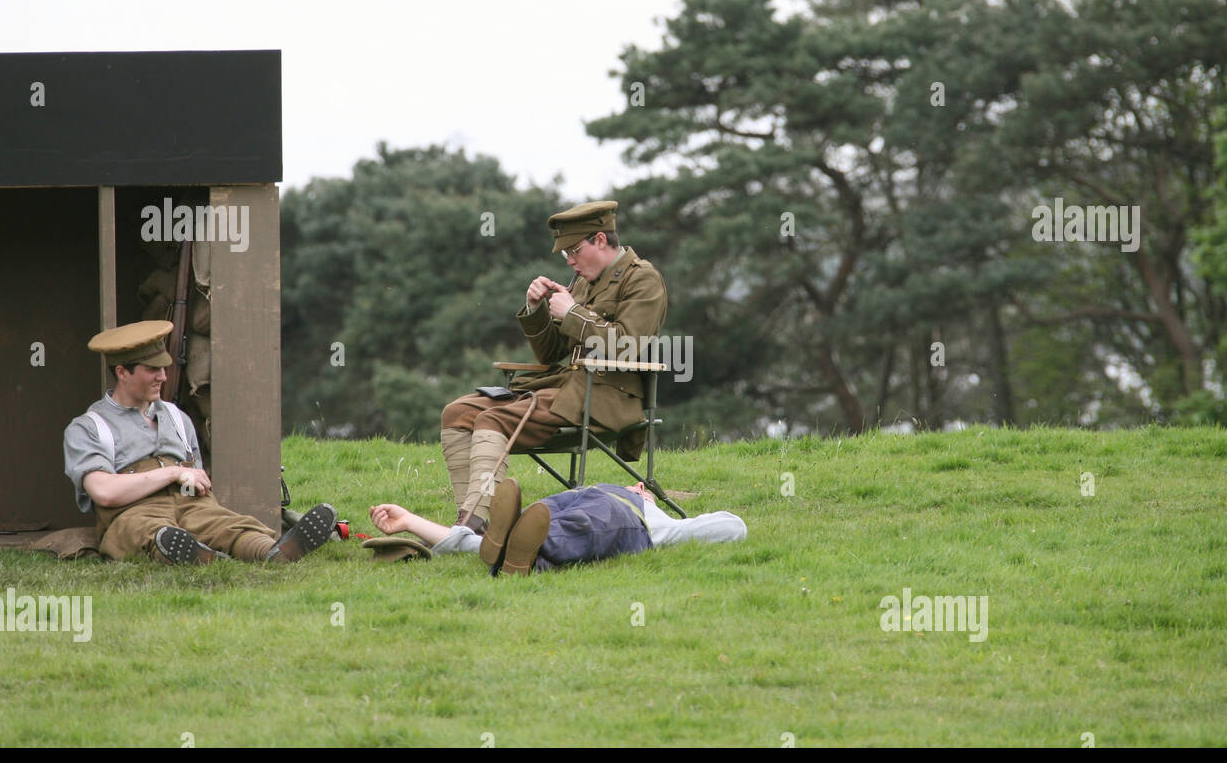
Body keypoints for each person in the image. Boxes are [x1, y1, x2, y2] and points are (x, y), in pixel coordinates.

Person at [438, 200, 668, 533]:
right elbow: (551, 355)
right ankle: (471, 519)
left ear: (601, 240)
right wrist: (537, 310)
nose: (570, 261)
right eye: (565, 255)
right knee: (457, 413)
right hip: (566, 389)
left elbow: (627, 347)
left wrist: (573, 312)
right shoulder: (586, 281)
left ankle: (473, 525)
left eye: (574, 250)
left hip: (607, 399)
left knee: (492, 419)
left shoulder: (642, 279)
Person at [62, 320, 336, 565]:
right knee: (150, 533)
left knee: (227, 525)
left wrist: (191, 481)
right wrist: (173, 472)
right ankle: (194, 554)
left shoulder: (177, 418)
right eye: (152, 370)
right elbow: (104, 492)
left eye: (164, 368)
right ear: (122, 372)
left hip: (192, 504)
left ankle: (271, 553)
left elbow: (197, 476)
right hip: (135, 511)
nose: (163, 377)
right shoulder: (88, 427)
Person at [369, 478, 746, 576]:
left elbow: (735, 528)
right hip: (568, 502)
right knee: (526, 530)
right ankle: (517, 555)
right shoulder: (592, 490)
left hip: (625, 518)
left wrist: (648, 506)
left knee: (580, 527)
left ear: (644, 490)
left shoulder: (656, 520)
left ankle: (520, 556)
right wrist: (410, 522)